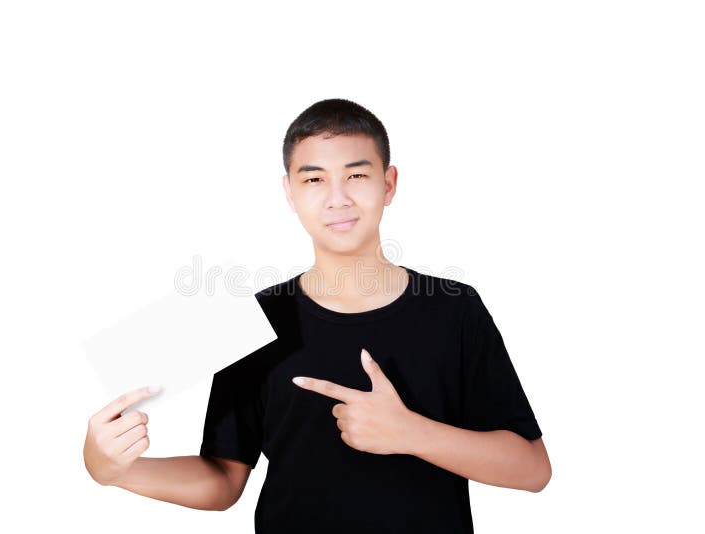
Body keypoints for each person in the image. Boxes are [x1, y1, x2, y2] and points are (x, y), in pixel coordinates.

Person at [83, 98, 551, 533]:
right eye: (313, 180)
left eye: (357, 175)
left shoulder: (454, 308)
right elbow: (224, 479)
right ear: (289, 192)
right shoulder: (251, 320)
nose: (337, 198)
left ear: (388, 184)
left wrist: (411, 432)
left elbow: (532, 469)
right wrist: (115, 471)